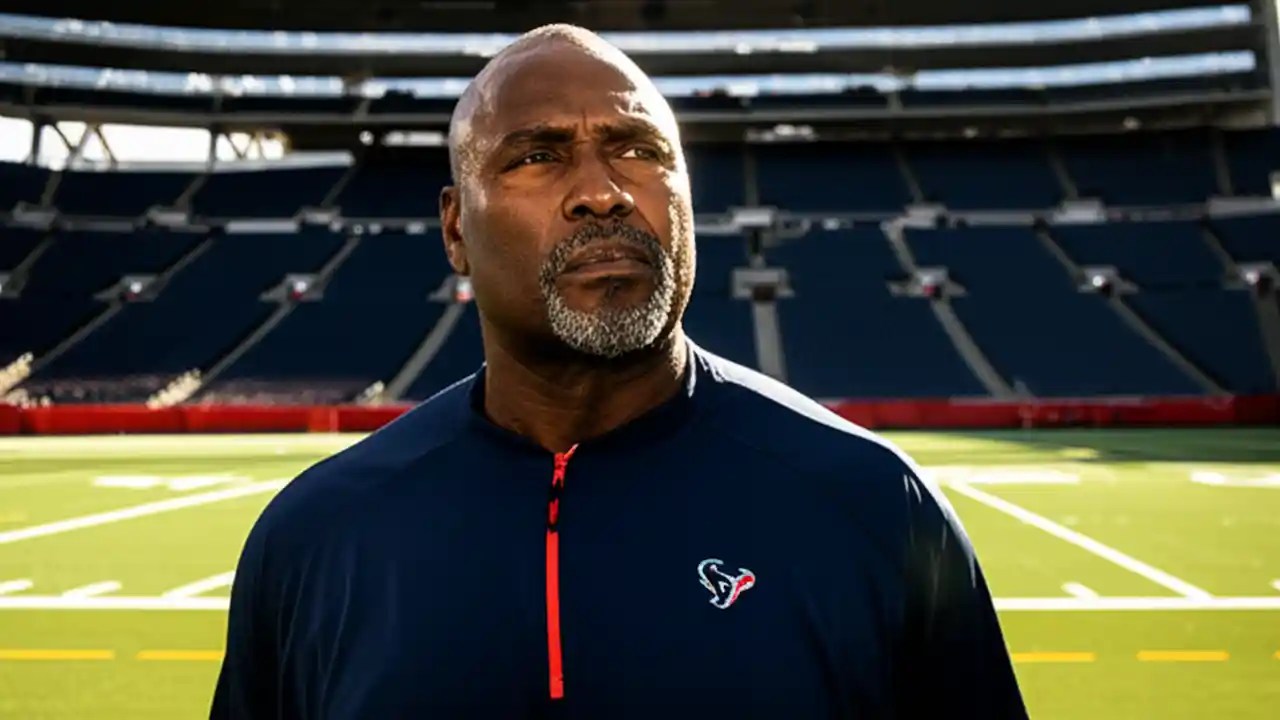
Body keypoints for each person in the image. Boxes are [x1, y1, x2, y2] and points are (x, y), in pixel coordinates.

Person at [211, 24, 1027, 719]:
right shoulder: (315, 535)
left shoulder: (876, 505)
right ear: (456, 229)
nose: (602, 195)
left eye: (639, 150)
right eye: (537, 156)